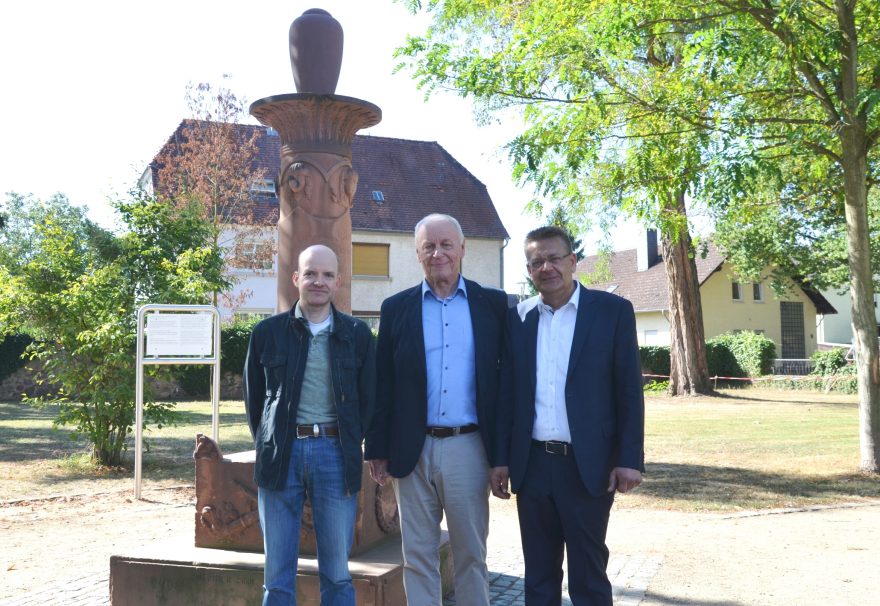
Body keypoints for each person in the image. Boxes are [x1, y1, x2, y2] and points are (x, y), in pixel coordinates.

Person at [491, 226, 645, 605]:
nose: (546, 267)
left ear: (572, 261)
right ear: (529, 270)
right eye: (536, 261)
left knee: (588, 575)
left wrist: (629, 460)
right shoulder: (519, 319)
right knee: (539, 578)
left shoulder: (612, 313)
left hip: (587, 465)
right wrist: (500, 460)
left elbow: (629, 390)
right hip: (533, 466)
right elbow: (507, 396)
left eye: (554, 258)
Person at [364, 213, 508, 605]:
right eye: (429, 245)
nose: (438, 252)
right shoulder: (396, 308)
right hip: (410, 449)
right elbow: (384, 383)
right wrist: (376, 448)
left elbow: (506, 386)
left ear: (462, 249)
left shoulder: (493, 305)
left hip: (470, 448)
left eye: (446, 244)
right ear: (417, 253)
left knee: (471, 556)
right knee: (417, 557)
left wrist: (503, 457)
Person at [243, 244, 376, 606]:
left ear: (337, 281)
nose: (319, 281)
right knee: (277, 576)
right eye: (311, 274)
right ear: (296, 278)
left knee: (336, 573)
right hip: (280, 455)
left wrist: (349, 440)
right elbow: (256, 402)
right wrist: (270, 441)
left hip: (335, 455)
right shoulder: (267, 333)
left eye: (328, 275)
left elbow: (369, 400)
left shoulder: (357, 334)